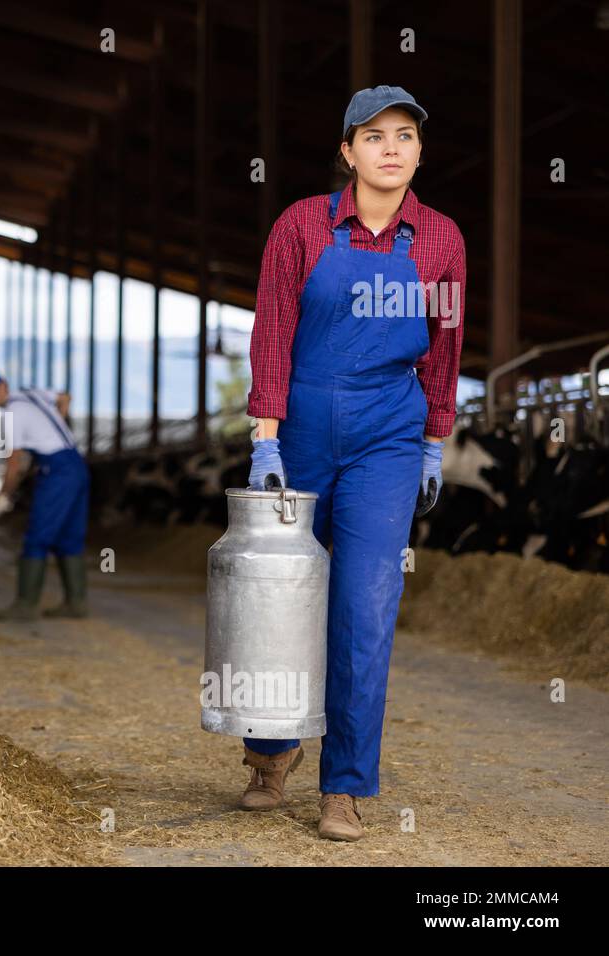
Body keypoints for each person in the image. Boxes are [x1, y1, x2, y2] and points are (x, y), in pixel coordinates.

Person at [242, 86, 465, 840]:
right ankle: (271, 752)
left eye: (405, 136)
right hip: (302, 423)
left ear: (420, 151)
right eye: (374, 137)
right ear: (348, 151)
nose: (391, 149)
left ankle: (344, 785)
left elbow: (447, 342)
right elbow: (272, 331)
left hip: (387, 435)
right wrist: (264, 438)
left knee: (366, 607)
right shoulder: (300, 226)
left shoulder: (441, 241)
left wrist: (435, 437)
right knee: (280, 595)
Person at [0, 369, 90, 619]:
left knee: (37, 536)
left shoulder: (11, 415)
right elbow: (65, 397)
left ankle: (24, 606)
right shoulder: (31, 393)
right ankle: (76, 603)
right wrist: (56, 424)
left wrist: (4, 496)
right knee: (68, 536)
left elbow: (13, 463)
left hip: (57, 471)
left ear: (3, 385)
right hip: (76, 465)